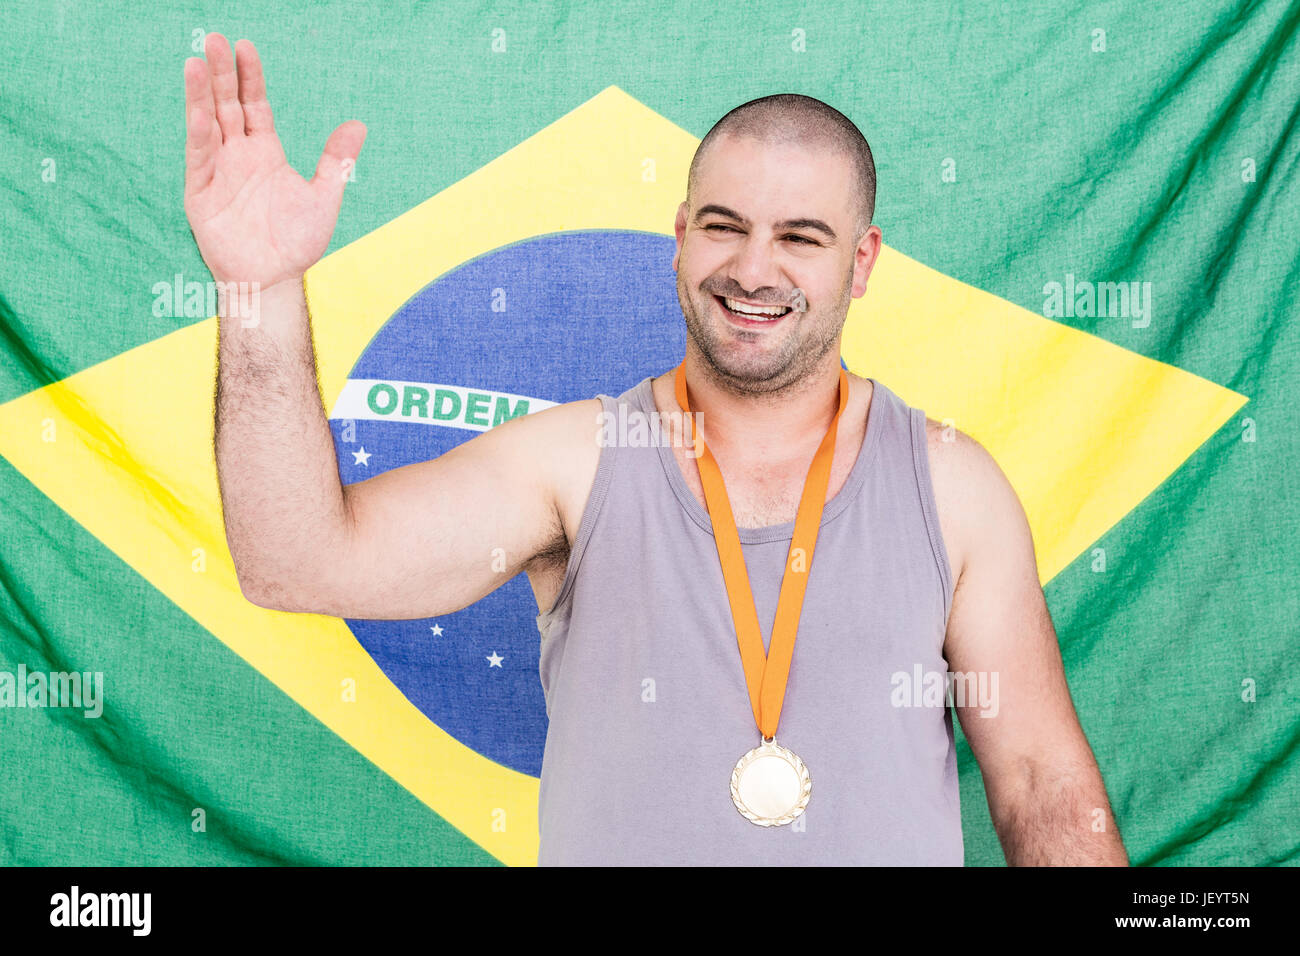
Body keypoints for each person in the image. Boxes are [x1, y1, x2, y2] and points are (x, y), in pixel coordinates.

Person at [184, 32, 1129, 866]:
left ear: (864, 262)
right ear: (679, 239)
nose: (754, 270)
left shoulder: (952, 485)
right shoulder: (574, 464)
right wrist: (260, 294)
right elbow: (296, 564)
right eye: (725, 227)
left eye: (802, 238)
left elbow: (1045, 789)